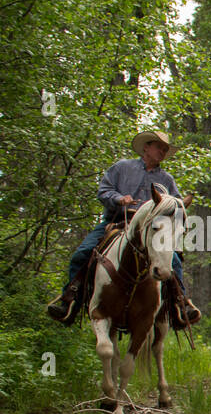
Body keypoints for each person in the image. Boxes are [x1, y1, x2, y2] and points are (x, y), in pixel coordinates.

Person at [47, 130, 201, 326]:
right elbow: (103, 190)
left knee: (174, 261)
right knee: (83, 253)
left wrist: (180, 206)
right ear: (146, 147)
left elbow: (175, 205)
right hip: (117, 222)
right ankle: (70, 299)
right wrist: (120, 199)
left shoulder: (167, 180)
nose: (162, 152)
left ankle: (180, 304)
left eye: (165, 149)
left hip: (150, 231)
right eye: (159, 147)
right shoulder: (122, 167)